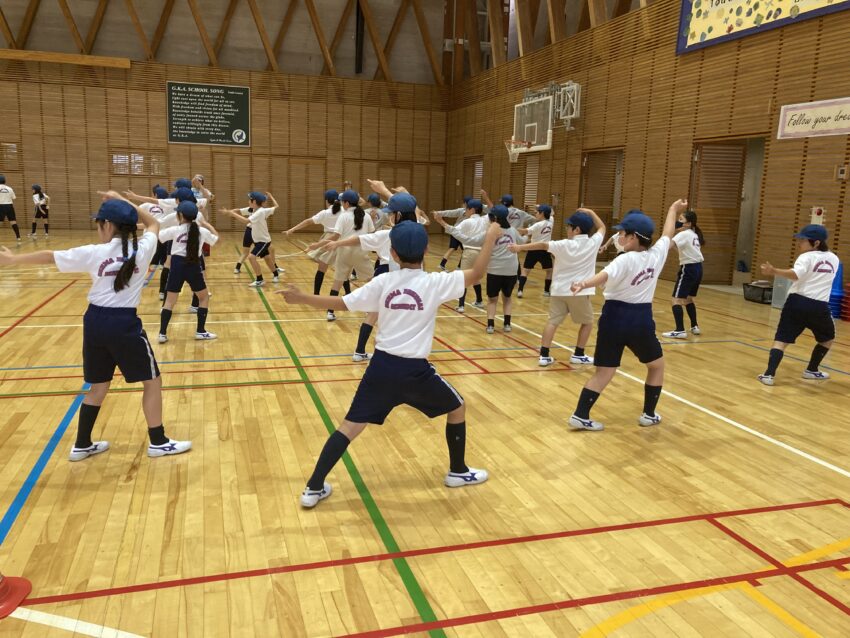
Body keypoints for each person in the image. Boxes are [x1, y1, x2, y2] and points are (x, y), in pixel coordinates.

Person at [277, 218, 503, 508]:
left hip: (381, 369)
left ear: (393, 253)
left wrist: (302, 299)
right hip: (416, 373)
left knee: (349, 427)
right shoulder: (436, 282)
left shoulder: (383, 282)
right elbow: (478, 272)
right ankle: (457, 471)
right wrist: (491, 237)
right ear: (425, 252)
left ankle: (313, 487)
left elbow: (342, 304)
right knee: (457, 408)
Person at [0, 193, 191, 460]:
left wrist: (14, 261)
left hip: (94, 322)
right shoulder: (144, 247)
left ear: (108, 225)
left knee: (99, 386)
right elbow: (152, 225)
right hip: (124, 324)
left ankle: (82, 444)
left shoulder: (94, 253)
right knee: (152, 382)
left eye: (99, 223)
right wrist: (128, 203)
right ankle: (157, 441)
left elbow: (49, 257)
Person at [567, 199, 688, 431]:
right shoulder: (657, 254)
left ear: (632, 237)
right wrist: (673, 209)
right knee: (656, 366)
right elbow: (667, 233)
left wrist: (583, 283)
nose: (618, 237)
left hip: (612, 317)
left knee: (604, 371)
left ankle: (581, 414)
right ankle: (649, 414)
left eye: (621, 233)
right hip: (640, 319)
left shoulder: (623, 259)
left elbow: (603, 275)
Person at [324, 187, 420, 361]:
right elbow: (415, 213)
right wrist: (404, 193)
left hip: (386, 275)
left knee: (374, 313)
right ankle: (403, 353)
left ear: (397, 215)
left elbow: (359, 239)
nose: (389, 216)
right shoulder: (419, 231)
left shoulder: (387, 234)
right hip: (411, 279)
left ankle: (361, 350)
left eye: (391, 213)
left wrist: (337, 244)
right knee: (405, 316)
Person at [510, 208, 605, 366]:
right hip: (579, 292)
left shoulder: (563, 245)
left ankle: (544, 356)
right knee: (587, 323)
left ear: (577, 229)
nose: (567, 229)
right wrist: (591, 212)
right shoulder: (593, 242)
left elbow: (541, 244)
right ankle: (579, 354)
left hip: (559, 290)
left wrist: (520, 248)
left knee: (552, 322)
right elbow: (602, 227)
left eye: (569, 226)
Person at [757, 224, 839, 386]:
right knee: (827, 338)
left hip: (796, 302)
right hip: (819, 306)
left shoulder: (806, 258)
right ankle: (812, 370)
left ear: (816, 243)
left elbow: (796, 274)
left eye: (803, 240)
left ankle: (769, 375)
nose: (799, 243)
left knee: (781, 340)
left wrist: (774, 271)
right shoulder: (834, 259)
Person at [442, 204, 523, 333]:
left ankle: (490, 325)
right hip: (511, 270)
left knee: (492, 300)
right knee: (507, 298)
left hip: (495, 270)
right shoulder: (513, 230)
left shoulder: (489, 233)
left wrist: (449, 228)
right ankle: (507, 324)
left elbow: (469, 240)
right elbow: (523, 241)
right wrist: (528, 234)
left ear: (493, 218)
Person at [307, 189, 375, 321]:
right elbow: (371, 234)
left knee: (337, 284)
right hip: (361, 253)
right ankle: (369, 309)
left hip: (344, 252)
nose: (342, 204)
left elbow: (335, 236)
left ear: (347, 203)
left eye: (343, 201)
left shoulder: (343, 216)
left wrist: (317, 245)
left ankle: (330, 312)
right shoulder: (366, 216)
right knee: (370, 282)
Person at [157, 201, 219, 342]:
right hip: (193, 266)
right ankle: (200, 331)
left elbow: (159, 236)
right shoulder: (202, 231)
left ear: (179, 215)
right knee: (203, 297)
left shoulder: (175, 230)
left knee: (169, 301)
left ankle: (162, 334)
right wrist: (209, 226)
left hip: (177, 266)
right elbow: (217, 241)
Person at [284, 189, 348, 296]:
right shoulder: (345, 211)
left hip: (328, 239)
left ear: (327, 201)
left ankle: (316, 294)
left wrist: (292, 229)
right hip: (343, 239)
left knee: (322, 268)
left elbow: (308, 222)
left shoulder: (325, 213)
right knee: (341, 269)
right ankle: (348, 293)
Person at [433, 199, 487, 312]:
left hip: (469, 252)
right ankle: (479, 301)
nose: (465, 211)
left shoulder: (467, 222)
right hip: (483, 254)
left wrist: (440, 221)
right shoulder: (485, 220)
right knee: (475, 277)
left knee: (463, 278)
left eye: (466, 209)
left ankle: (461, 305)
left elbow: (453, 230)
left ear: (472, 210)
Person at [662, 209, 705, 339]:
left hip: (688, 268)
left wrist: (666, 236)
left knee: (676, 300)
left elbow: (667, 246)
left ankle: (680, 330)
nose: (678, 222)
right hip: (698, 268)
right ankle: (694, 326)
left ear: (688, 223)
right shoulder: (693, 234)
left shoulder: (683, 234)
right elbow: (682, 249)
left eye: (681, 219)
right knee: (688, 299)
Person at [224, 192, 281, 287]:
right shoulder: (259, 210)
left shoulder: (260, 212)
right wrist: (229, 212)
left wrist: (233, 214)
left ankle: (260, 279)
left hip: (263, 241)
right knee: (267, 258)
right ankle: (275, 274)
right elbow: (274, 208)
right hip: (258, 240)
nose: (248, 201)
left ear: (254, 201)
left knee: (251, 257)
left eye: (249, 199)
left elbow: (246, 221)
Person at [516, 204, 554, 298]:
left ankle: (520, 291)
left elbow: (525, 231)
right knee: (549, 271)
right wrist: (540, 206)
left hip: (533, 249)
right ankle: (546, 291)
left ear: (542, 213)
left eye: (537, 212)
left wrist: (513, 228)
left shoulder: (537, 225)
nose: (535, 214)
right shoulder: (551, 221)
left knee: (525, 271)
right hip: (545, 250)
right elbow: (552, 212)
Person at [434, 196, 471, 271]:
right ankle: (458, 267)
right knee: (464, 250)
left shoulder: (467, 212)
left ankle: (443, 264)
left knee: (452, 248)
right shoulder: (463, 211)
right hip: (459, 233)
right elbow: (450, 212)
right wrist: (439, 213)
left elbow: (450, 212)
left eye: (463, 203)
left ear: (465, 203)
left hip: (458, 232)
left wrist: (438, 213)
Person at [0, 175, 21, 243]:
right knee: (13, 222)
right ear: (4, 181)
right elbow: (14, 198)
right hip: (9, 206)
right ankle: (18, 237)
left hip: (1, 206)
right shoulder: (9, 188)